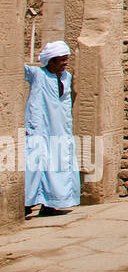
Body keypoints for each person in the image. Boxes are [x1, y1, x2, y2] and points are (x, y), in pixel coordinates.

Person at [24, 41, 79, 218]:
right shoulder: (37, 74)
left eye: (66, 59)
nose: (65, 63)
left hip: (60, 129)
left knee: (58, 165)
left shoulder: (66, 77)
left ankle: (51, 203)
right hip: (40, 127)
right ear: (51, 61)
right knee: (34, 165)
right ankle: (28, 203)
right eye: (61, 60)